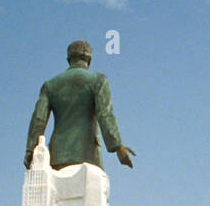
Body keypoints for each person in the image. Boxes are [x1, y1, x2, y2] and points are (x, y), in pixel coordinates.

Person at [24, 40, 136, 171]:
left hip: (58, 156)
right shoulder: (98, 80)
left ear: (69, 59)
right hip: (88, 154)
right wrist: (118, 146)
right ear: (89, 58)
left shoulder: (50, 85)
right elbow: (105, 114)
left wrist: (31, 150)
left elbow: (39, 120)